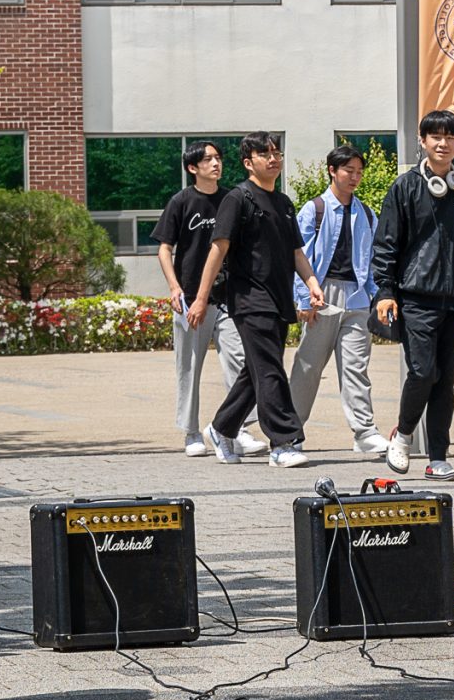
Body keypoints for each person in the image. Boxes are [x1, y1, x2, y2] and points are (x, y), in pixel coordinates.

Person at [189, 133, 323, 469]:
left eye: (276, 152)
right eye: (265, 154)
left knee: (257, 370)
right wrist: (201, 299)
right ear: (249, 162)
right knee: (271, 371)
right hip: (250, 298)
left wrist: (311, 282)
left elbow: (296, 251)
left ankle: (222, 428)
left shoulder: (283, 203)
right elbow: (217, 250)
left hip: (279, 299)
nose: (273, 158)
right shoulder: (238, 199)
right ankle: (283, 442)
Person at [371, 109, 454, 480]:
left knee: (445, 380)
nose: (443, 143)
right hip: (416, 297)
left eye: (450, 137)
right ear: (422, 141)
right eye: (435, 136)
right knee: (423, 372)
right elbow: (385, 244)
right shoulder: (405, 188)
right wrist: (386, 291)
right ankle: (403, 435)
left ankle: (438, 457)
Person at [288, 147, 387, 458]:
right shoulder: (314, 209)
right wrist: (303, 298)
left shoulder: (367, 213)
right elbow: (297, 256)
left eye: (359, 171)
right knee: (308, 366)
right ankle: (290, 432)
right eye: (349, 171)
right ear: (332, 170)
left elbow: (371, 260)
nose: (355, 177)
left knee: (357, 367)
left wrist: (375, 296)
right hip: (322, 294)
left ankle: (364, 432)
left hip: (357, 296)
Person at [154, 141, 250, 455]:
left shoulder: (231, 200)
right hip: (190, 298)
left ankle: (237, 429)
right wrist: (174, 287)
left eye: (218, 158)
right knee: (189, 367)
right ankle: (192, 432)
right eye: (207, 159)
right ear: (192, 168)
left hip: (227, 298)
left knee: (239, 362)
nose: (216, 164)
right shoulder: (181, 202)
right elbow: (164, 249)